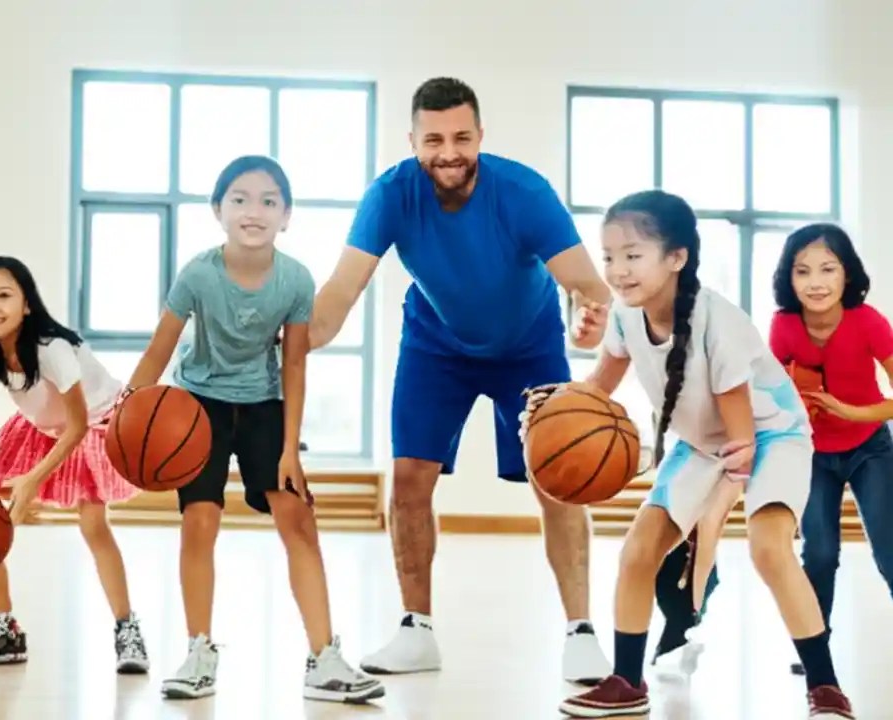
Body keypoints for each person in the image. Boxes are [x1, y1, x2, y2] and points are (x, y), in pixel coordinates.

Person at [308, 76, 614, 682]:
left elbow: (588, 283)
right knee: (408, 481)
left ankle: (581, 632)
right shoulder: (391, 194)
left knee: (560, 480)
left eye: (461, 137)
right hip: (435, 346)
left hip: (528, 347)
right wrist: (296, 337)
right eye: (434, 139)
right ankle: (416, 630)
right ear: (413, 140)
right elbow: (341, 292)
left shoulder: (524, 192)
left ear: (480, 136)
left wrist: (588, 315)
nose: (448, 152)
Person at [538, 190, 854, 718]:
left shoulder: (720, 322)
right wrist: (553, 408)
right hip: (703, 442)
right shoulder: (624, 315)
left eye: (633, 255)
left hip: (770, 434)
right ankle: (626, 681)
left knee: (768, 549)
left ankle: (825, 688)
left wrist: (708, 520)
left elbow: (740, 439)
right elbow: (597, 391)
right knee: (639, 549)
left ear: (676, 257)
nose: (617, 270)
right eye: (609, 256)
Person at [126, 155, 384, 704]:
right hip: (199, 408)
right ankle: (199, 652)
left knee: (299, 520)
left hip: (264, 404)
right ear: (218, 210)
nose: (254, 210)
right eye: (240, 199)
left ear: (286, 215)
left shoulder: (294, 279)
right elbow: (160, 347)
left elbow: (294, 364)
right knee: (200, 521)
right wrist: (123, 414)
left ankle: (325, 659)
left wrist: (290, 450)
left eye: (269, 201)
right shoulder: (198, 273)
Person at [0, 256, 148, 671]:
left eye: (4, 296)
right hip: (40, 427)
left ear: (27, 304)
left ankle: (127, 629)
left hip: (96, 423)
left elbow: (78, 425)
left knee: (93, 525)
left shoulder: (52, 349)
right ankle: (6, 629)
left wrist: (31, 480)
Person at [767, 222, 893, 677]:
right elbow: (771, 394)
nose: (816, 282)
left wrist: (848, 410)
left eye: (828, 269)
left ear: (847, 275)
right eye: (803, 271)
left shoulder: (868, 321)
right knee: (819, 552)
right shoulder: (783, 326)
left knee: (890, 550)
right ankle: (815, 647)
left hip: (870, 448)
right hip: (811, 454)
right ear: (790, 278)